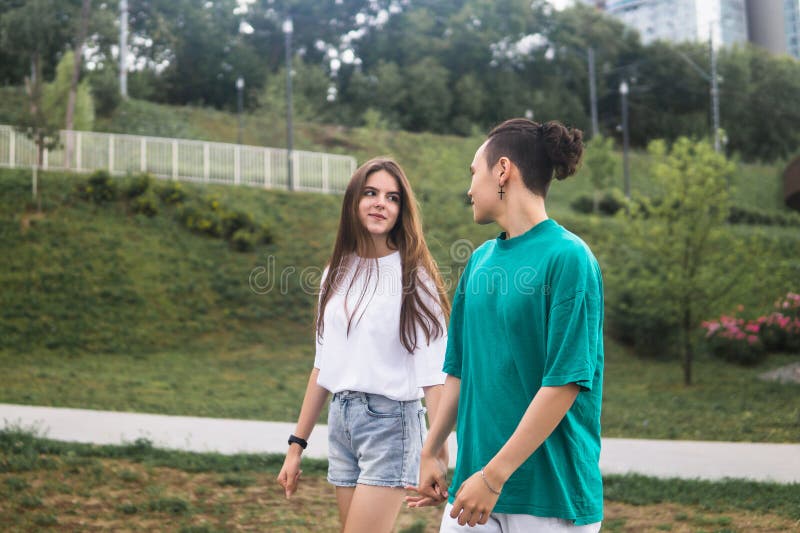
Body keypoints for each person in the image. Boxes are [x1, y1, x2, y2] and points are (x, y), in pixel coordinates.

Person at [406, 119, 604, 532]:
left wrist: (494, 477)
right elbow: (459, 371)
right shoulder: (478, 262)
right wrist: (431, 451)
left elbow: (565, 383)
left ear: (502, 170)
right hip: (473, 492)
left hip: (549, 497)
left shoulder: (569, 259)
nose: (469, 188)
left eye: (473, 171)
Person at [276, 157, 451, 533]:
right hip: (341, 422)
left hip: (392, 424)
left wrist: (436, 453)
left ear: (401, 210)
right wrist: (296, 447)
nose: (380, 203)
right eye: (371, 193)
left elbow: (434, 376)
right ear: (354, 201)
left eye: (392, 197)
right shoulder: (335, 273)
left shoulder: (414, 276)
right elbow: (324, 366)